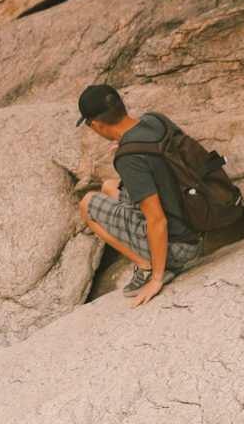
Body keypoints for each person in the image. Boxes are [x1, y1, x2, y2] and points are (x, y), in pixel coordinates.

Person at [77, 85, 205, 308]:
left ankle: (147, 268)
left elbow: (157, 220)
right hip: (196, 219)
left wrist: (157, 280)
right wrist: (130, 148)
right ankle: (152, 265)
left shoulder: (130, 157)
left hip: (182, 245)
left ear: (96, 124)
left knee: (87, 204)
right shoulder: (155, 120)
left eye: (89, 124)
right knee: (108, 186)